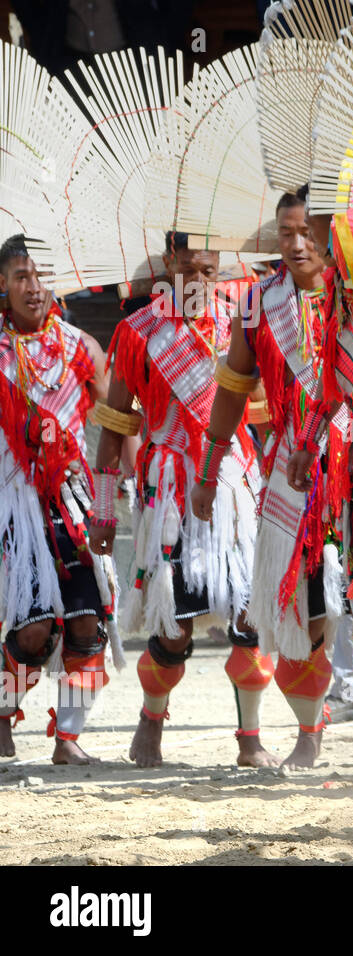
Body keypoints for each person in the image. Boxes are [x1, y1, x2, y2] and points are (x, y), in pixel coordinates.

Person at [88, 232, 266, 767]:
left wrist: (229, 373)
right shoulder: (137, 332)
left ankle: (250, 738)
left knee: (249, 616)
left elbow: (260, 404)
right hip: (170, 487)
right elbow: (115, 426)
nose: (198, 275)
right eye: (187, 264)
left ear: (221, 263)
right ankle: (150, 723)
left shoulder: (241, 321)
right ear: (170, 262)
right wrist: (101, 511)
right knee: (174, 626)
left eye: (208, 266)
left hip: (233, 479)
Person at [191, 190, 335, 771]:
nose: (296, 245)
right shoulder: (257, 304)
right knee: (296, 604)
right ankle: (310, 732)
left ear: (327, 233)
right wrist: (207, 471)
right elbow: (231, 391)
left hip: (352, 465)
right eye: (285, 233)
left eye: (307, 232)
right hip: (288, 471)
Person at [0, 234, 116, 764]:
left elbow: (117, 423)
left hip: (70, 502)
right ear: (2, 283)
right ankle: (2, 715)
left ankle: (67, 739)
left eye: (41, 276)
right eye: (21, 276)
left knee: (88, 624)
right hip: (12, 502)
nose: (33, 287)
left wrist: (114, 497)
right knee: (33, 632)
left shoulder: (78, 346)